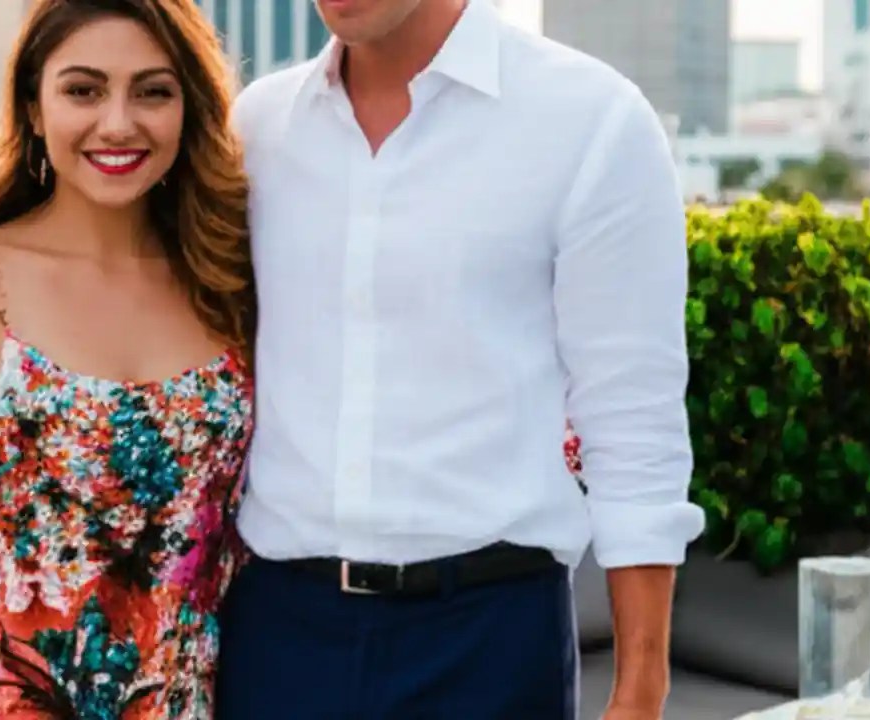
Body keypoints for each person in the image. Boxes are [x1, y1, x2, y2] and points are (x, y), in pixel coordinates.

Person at [217, 0, 706, 718]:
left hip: (490, 644)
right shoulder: (255, 128)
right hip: (278, 636)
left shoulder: (591, 120)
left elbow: (634, 418)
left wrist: (640, 689)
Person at [0, 1, 254, 718]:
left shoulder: (231, 279)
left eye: (153, 91)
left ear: (188, 109)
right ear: (34, 109)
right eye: (83, 89)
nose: (118, 122)